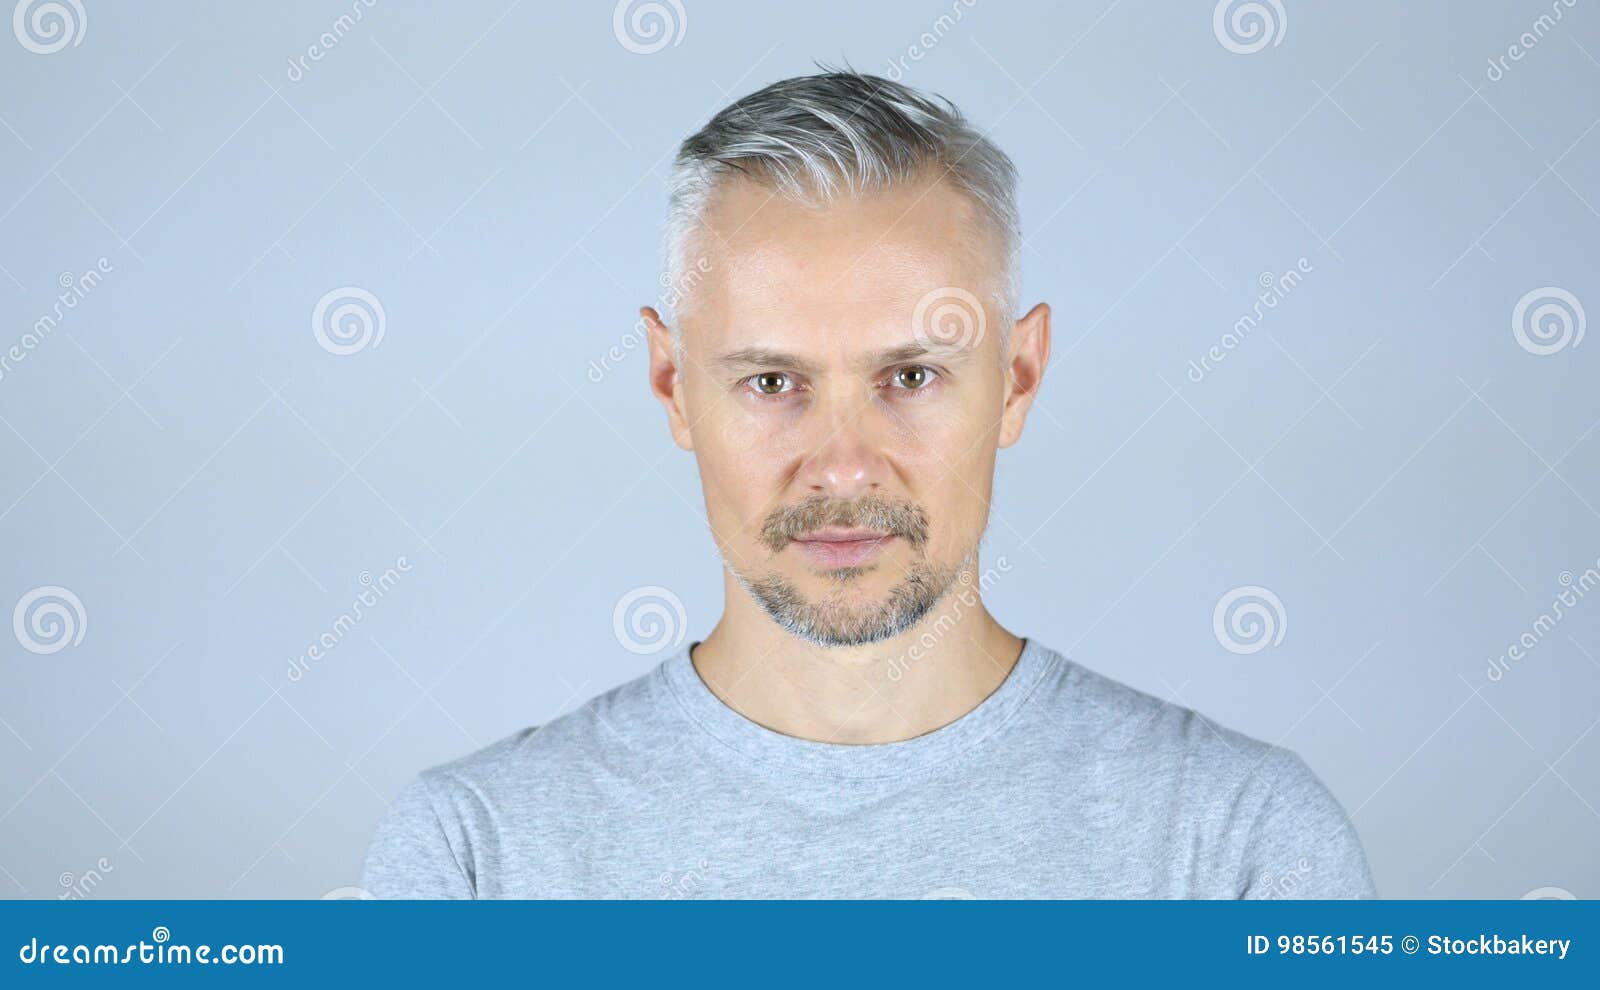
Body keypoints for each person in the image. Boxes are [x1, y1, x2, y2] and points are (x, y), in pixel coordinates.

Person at [361, 69, 1375, 899]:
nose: (843, 466)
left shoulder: (1238, 851)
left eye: (911, 377)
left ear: (1017, 379)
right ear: (672, 385)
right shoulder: (476, 860)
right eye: (771, 382)